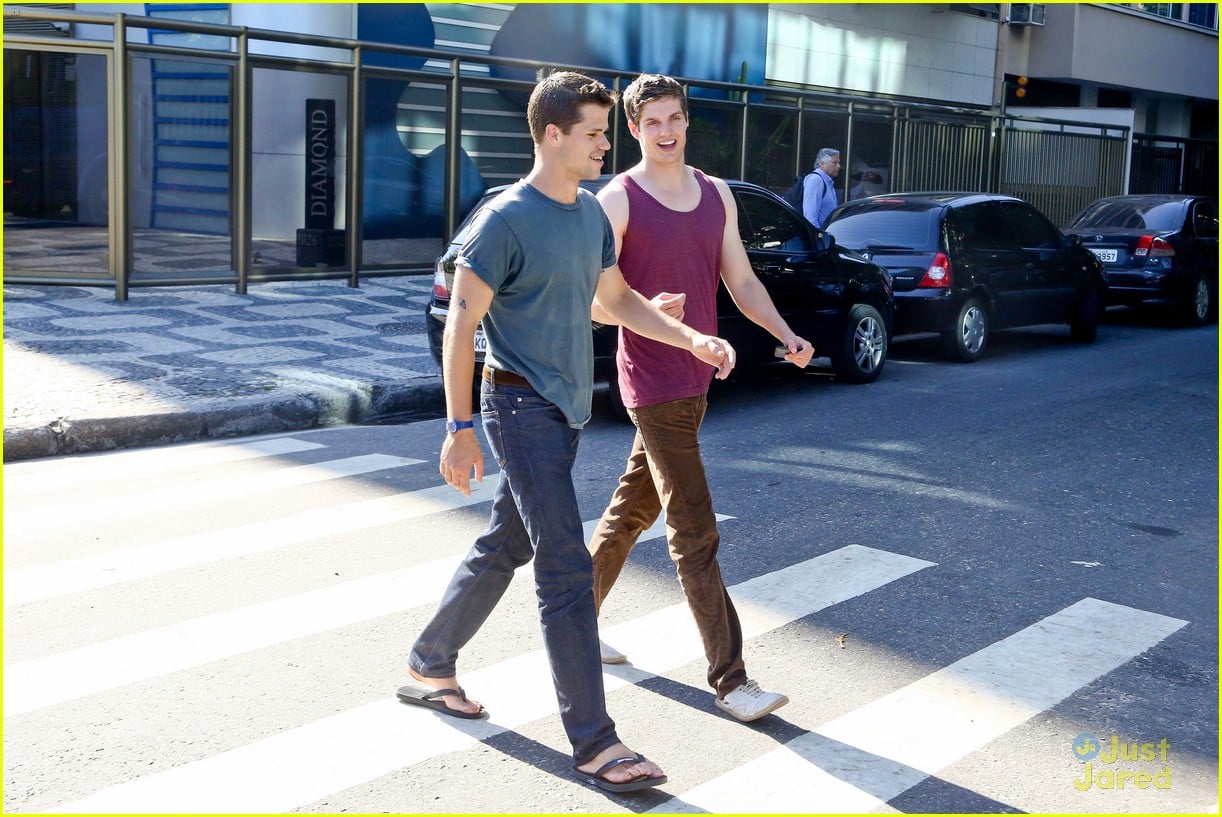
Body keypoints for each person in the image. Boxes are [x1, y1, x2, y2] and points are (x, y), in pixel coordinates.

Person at [398, 71, 737, 794]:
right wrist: (460, 429)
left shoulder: (587, 216)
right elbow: (461, 326)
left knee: (508, 541)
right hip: (515, 406)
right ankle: (597, 741)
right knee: (563, 567)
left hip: (565, 409)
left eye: (604, 133)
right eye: (593, 133)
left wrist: (687, 336)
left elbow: (614, 301)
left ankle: (431, 660)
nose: (604, 145)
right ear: (552, 136)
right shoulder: (504, 219)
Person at [587, 74, 815, 723]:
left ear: (687, 122)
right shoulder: (618, 199)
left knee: (632, 510)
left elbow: (740, 279)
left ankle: (571, 617)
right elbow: (596, 302)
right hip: (653, 381)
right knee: (694, 528)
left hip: (697, 378)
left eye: (674, 119)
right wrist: (643, 312)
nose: (664, 131)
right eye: (651, 121)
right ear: (634, 128)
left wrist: (786, 333)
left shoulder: (716, 196)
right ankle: (732, 679)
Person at [803, 147, 841, 228]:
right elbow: (810, 215)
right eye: (834, 163)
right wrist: (817, 236)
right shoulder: (816, 180)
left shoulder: (827, 181)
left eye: (838, 163)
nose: (838, 166)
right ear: (822, 163)